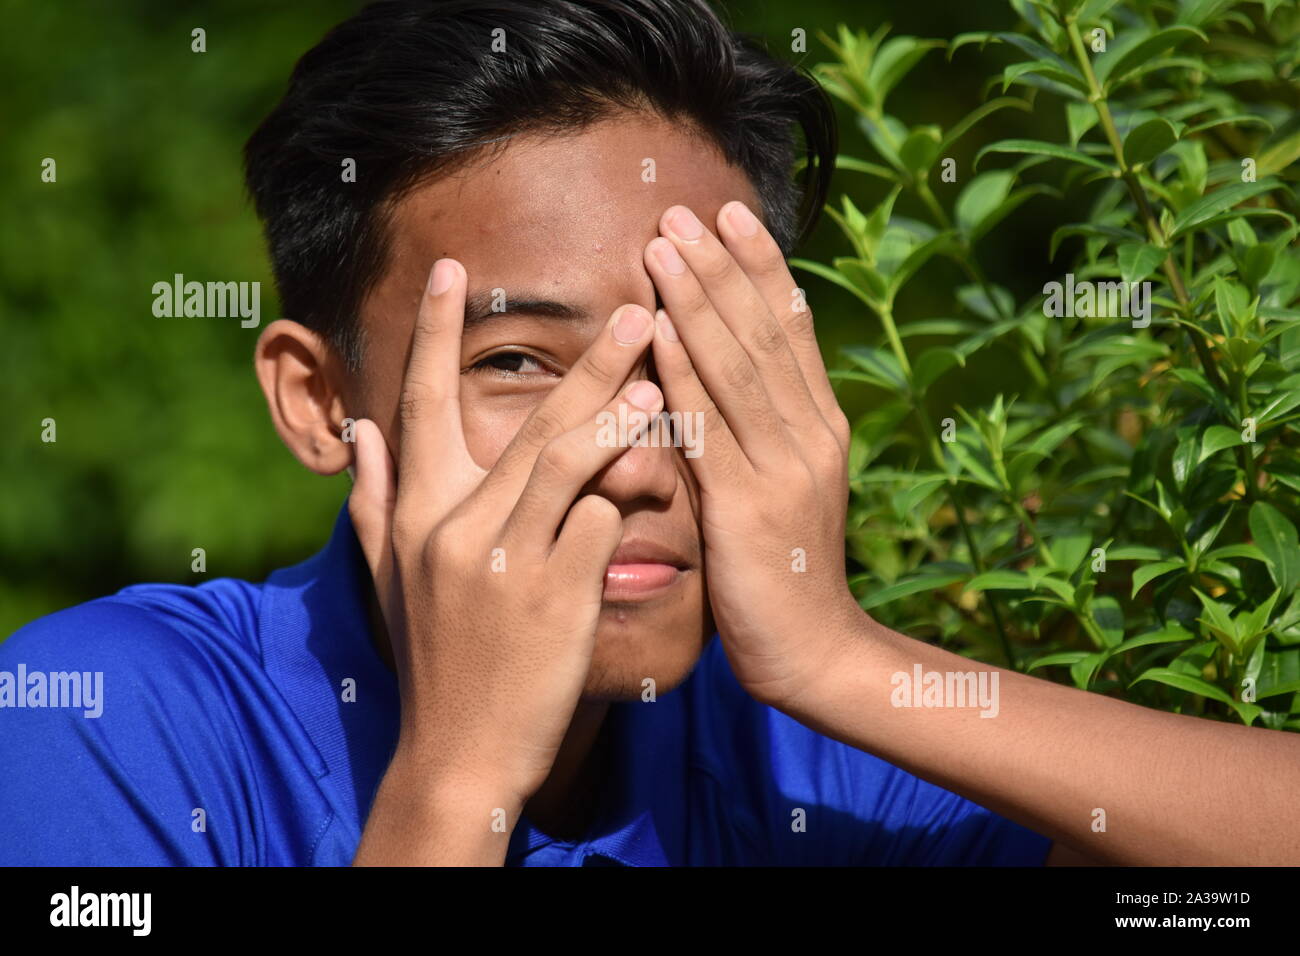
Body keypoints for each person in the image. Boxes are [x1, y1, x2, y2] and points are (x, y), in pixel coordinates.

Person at [2, 0, 1294, 867]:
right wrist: (455, 787)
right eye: (519, 362)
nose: (635, 452)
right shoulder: (110, 724)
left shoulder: (798, 760)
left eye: (692, 354)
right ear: (316, 401)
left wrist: (843, 659)